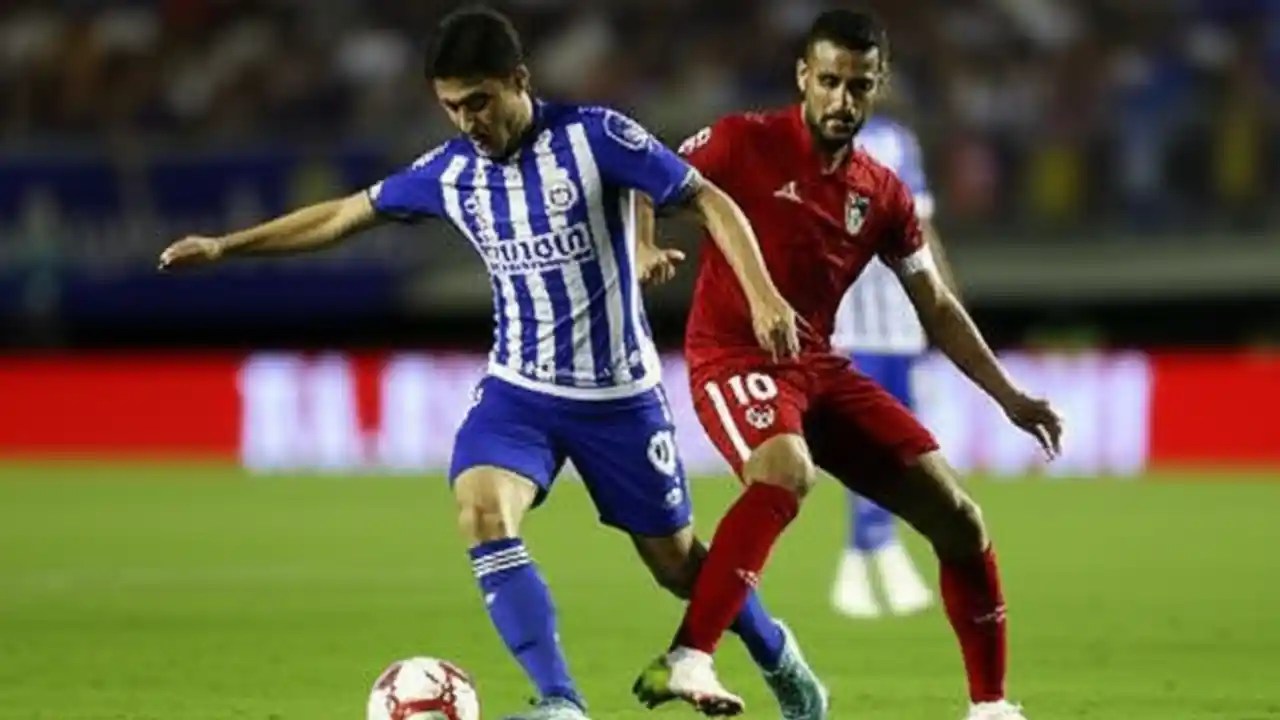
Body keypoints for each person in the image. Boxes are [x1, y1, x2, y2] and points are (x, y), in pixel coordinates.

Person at [157, 7, 828, 720]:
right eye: (451, 106)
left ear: (518, 81)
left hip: (619, 399)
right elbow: (343, 215)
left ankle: (777, 655)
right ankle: (559, 701)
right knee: (480, 508)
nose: (467, 120)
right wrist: (225, 246)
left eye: (479, 101)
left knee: (676, 564)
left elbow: (709, 201)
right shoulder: (450, 173)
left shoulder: (594, 136)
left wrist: (763, 295)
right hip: (519, 393)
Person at [631, 9, 1063, 720]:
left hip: (818, 367)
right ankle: (689, 656)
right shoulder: (742, 141)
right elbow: (643, 174)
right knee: (785, 470)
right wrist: (645, 244)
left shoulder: (882, 193)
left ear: (877, 86)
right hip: (733, 357)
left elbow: (937, 306)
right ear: (804, 76)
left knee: (960, 518)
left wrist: (1009, 396)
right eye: (829, 81)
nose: (841, 99)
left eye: (858, 85)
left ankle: (990, 706)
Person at [828, 110, 956, 619]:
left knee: (901, 446)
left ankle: (860, 562)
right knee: (870, 444)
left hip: (901, 319)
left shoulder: (899, 139)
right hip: (851, 321)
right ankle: (878, 550)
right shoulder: (816, 139)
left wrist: (943, 300)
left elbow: (922, 225)